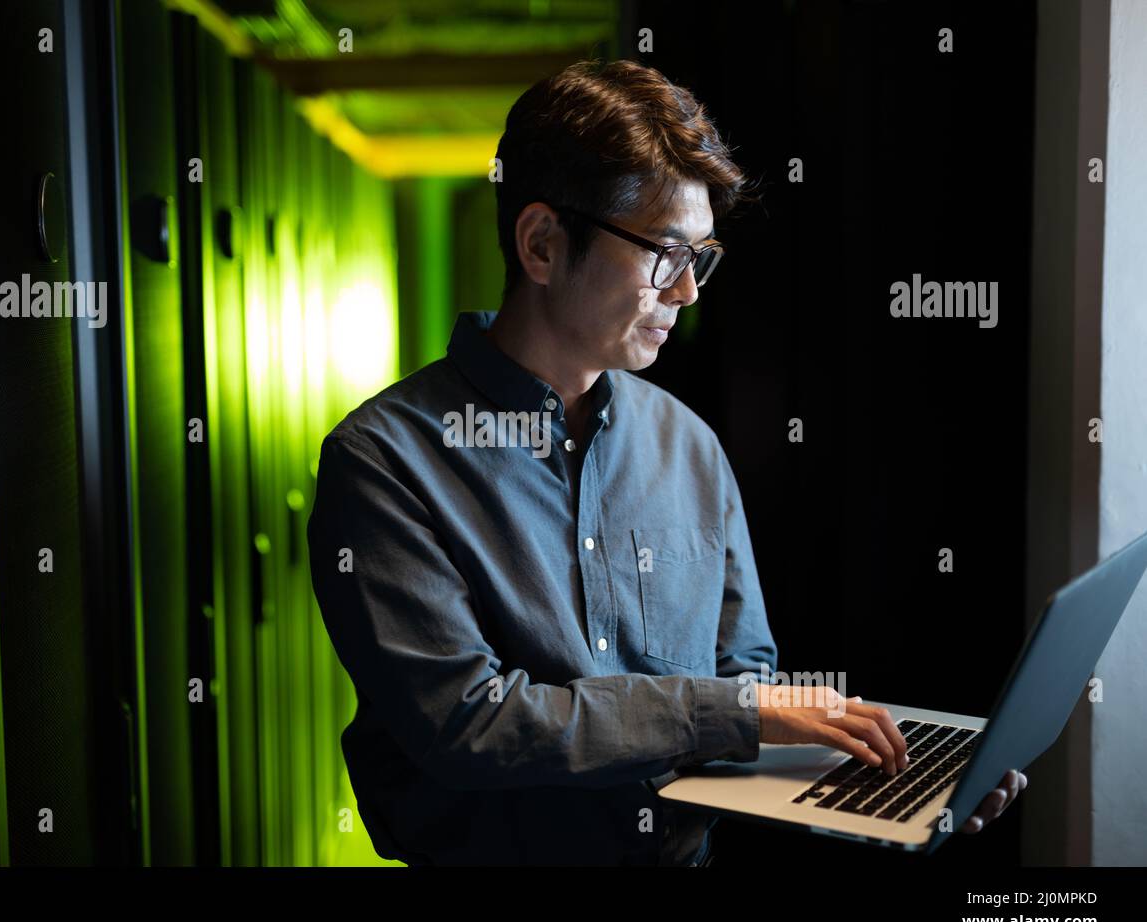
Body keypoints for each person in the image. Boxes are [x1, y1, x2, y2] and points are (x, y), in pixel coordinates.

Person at [307, 58, 1024, 866]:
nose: (688, 292)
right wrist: (742, 714)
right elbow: (469, 726)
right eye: (666, 252)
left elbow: (743, 689)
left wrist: (879, 781)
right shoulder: (384, 463)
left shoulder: (689, 446)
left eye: (702, 257)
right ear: (542, 244)